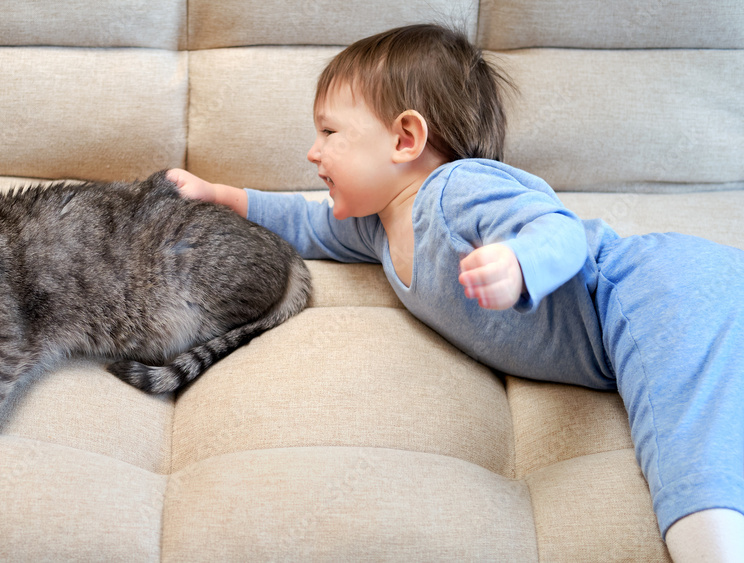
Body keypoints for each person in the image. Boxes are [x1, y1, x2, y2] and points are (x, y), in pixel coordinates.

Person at [167, 23, 744, 561]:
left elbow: (560, 231)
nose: (313, 153)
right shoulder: (375, 226)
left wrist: (519, 262)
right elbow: (303, 221)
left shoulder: (457, 189)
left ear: (405, 138)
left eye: (329, 132)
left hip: (648, 288)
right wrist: (220, 195)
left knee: (688, 431)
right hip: (629, 331)